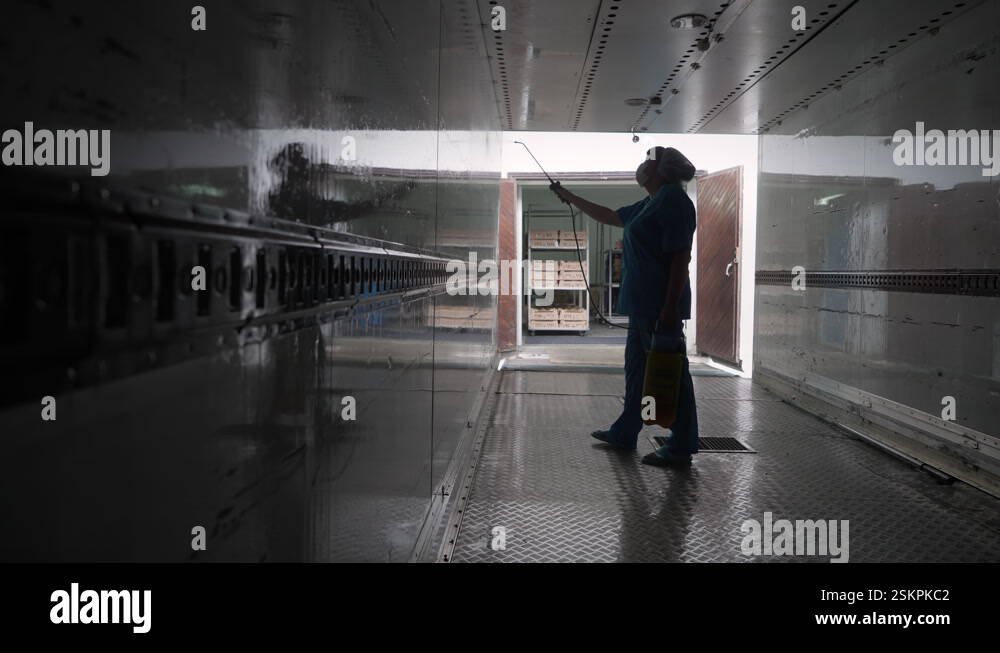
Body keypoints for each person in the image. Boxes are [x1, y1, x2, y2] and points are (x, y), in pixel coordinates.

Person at [550, 146, 699, 467]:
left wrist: (670, 308)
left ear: (662, 169)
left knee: (670, 373)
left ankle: (682, 444)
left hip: (660, 305)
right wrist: (569, 195)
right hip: (643, 303)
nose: (642, 165)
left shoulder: (674, 200)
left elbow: (680, 257)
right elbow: (610, 215)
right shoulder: (650, 203)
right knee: (637, 370)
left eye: (649, 160)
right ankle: (626, 430)